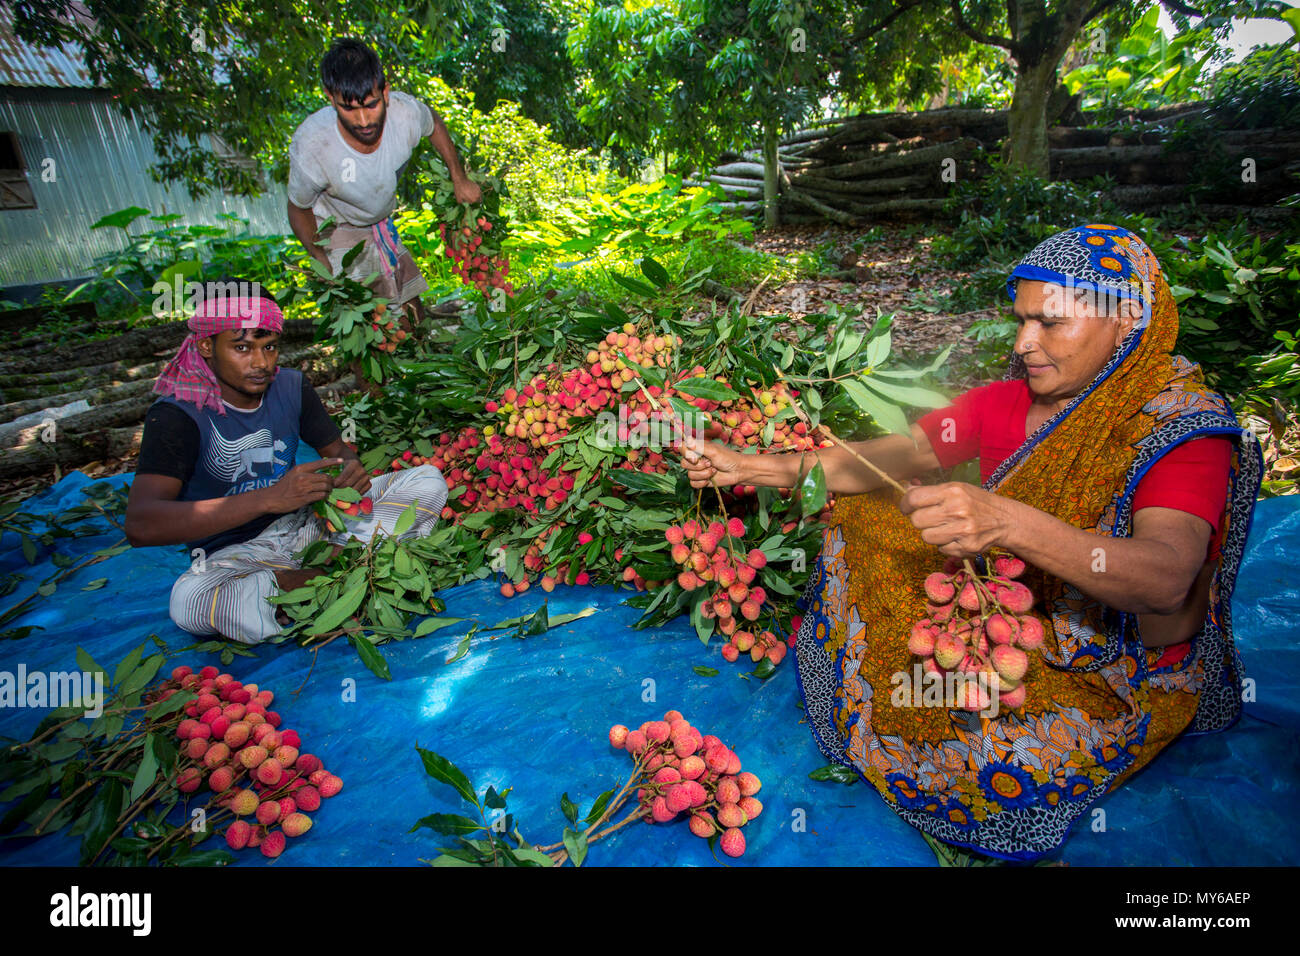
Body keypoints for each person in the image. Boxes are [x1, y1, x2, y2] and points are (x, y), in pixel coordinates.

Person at [682, 225, 1262, 860]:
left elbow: (1166, 578)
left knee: (996, 768)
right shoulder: (1010, 401)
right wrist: (752, 465)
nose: (1024, 343)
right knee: (862, 516)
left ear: (1126, 321)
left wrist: (1008, 522)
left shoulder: (1178, 429)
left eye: (1050, 323)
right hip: (1005, 610)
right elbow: (899, 454)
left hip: (1116, 665)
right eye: (1020, 321)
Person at [124, 288, 448, 644]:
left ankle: (322, 582)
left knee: (428, 480)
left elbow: (338, 449)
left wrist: (349, 471)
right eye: (242, 347)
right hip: (240, 555)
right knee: (190, 602)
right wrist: (269, 498)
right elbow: (142, 525)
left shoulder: (290, 386)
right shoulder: (176, 416)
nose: (262, 363)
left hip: (311, 527)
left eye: (271, 346)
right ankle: (344, 573)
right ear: (206, 345)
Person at [286, 37, 481, 331]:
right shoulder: (313, 146)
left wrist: (459, 177)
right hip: (336, 227)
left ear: (385, 92)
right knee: (369, 330)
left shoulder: (405, 114)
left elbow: (434, 125)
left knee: (411, 312)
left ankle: (415, 370)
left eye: (372, 105)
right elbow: (298, 208)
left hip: (379, 220)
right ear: (330, 97)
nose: (364, 120)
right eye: (349, 109)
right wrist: (319, 256)